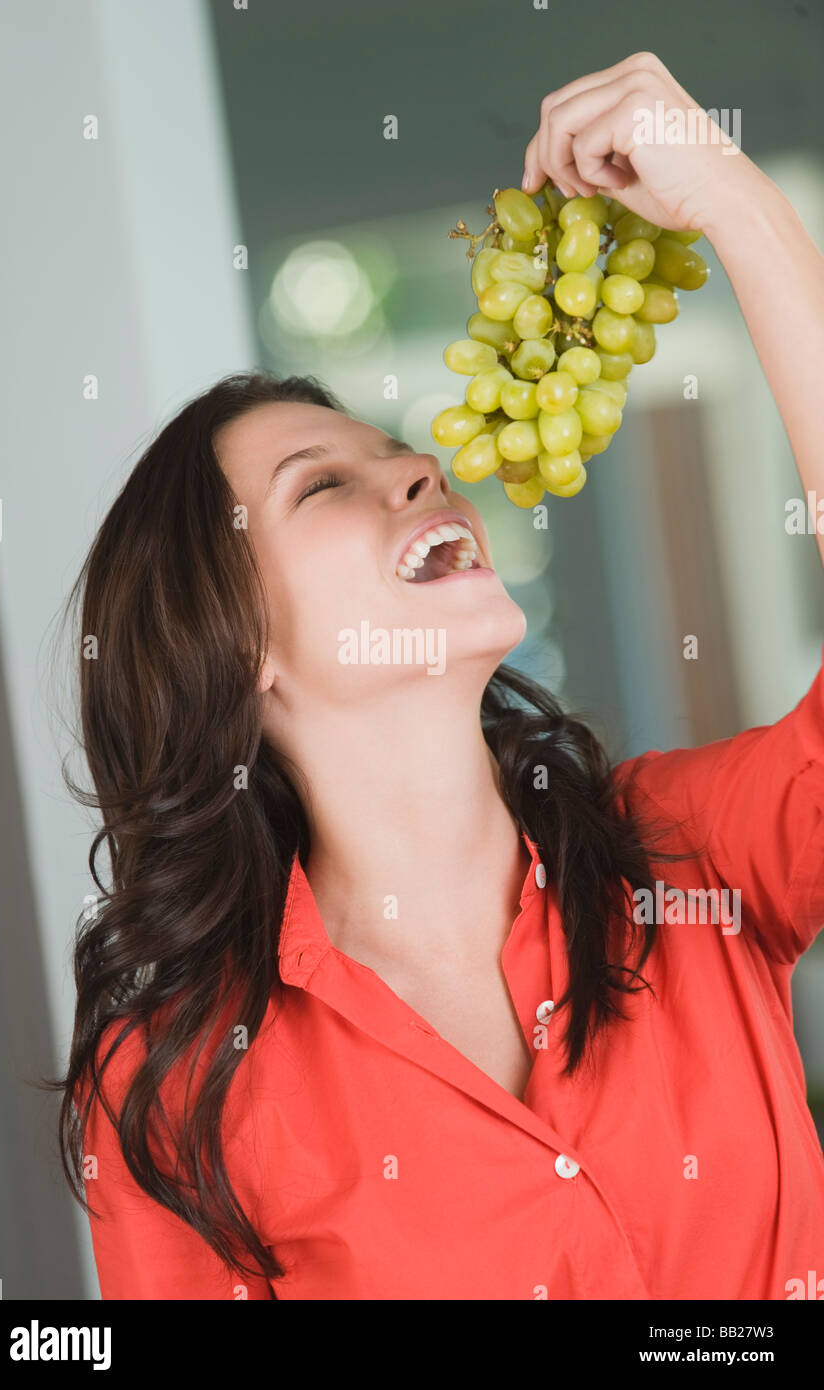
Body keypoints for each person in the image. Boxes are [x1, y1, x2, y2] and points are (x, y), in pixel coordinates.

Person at [54, 52, 824, 1299]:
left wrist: (739, 202)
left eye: (394, 449)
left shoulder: (686, 860)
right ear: (232, 653)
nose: (418, 467)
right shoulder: (180, 1090)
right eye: (322, 484)